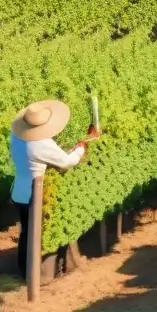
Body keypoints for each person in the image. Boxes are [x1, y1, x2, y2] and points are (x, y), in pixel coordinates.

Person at [9, 99, 91, 279]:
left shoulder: (15, 137)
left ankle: (23, 269)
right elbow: (66, 161)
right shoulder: (40, 143)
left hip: (18, 190)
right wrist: (80, 149)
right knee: (37, 232)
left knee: (25, 231)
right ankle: (34, 273)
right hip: (35, 192)